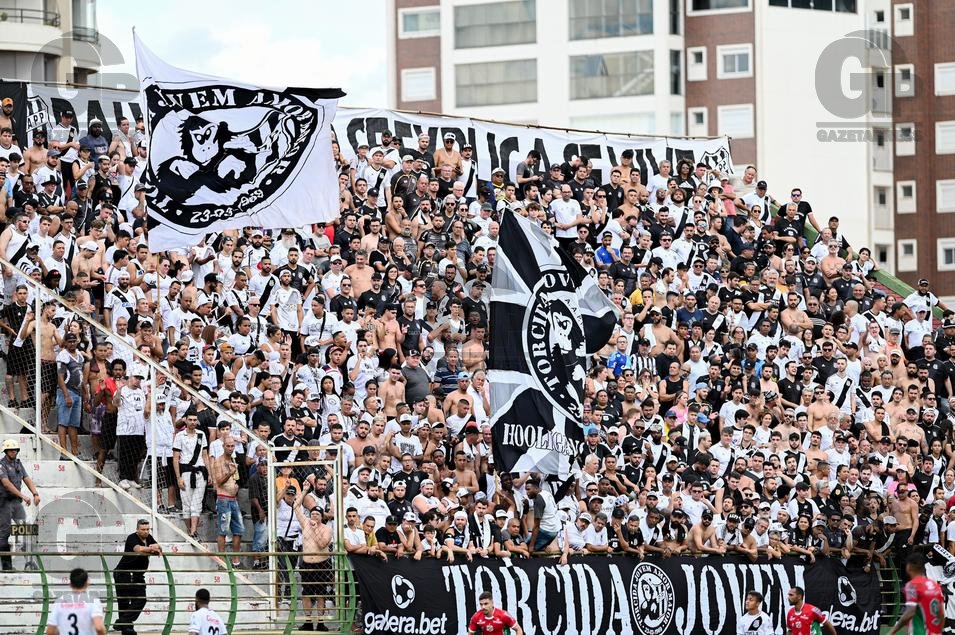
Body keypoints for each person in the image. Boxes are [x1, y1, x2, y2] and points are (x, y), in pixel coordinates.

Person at [112, 519, 161, 635]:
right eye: (143, 529)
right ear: (137, 530)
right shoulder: (132, 538)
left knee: (141, 599)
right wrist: (151, 549)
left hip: (138, 575)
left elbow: (158, 546)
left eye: (148, 529)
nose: (146, 532)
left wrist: (156, 547)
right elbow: (138, 549)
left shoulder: (148, 538)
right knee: (124, 602)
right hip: (123, 573)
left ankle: (122, 622)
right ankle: (127, 629)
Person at [0, 438, 39, 571]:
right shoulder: (2, 465)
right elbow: (6, 483)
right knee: (4, 534)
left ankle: (29, 562)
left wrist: (35, 493)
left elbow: (26, 478)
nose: (14, 452)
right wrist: (22, 495)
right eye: (11, 450)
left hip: (16, 503)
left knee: (26, 530)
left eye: (16, 449)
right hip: (4, 503)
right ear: (5, 451)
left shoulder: (18, 463)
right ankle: (6, 566)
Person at [887, 551, 944, 635]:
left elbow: (910, 612)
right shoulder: (934, 585)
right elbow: (941, 614)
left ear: (909, 567)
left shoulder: (913, 585)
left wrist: (893, 631)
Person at [47, 567, 105, 635]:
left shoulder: (59, 602)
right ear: (87, 583)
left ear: (70, 584)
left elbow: (50, 631)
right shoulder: (94, 601)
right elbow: (99, 627)